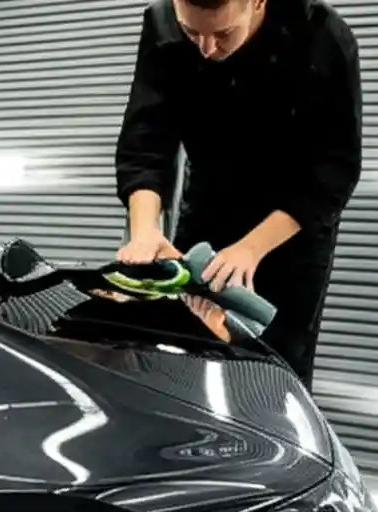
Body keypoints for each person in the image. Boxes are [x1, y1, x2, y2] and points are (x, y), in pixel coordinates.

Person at [114, 0, 363, 388]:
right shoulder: (162, 24)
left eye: (223, 34)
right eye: (192, 32)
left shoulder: (321, 34)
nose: (206, 50)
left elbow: (334, 170)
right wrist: (145, 231)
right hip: (208, 209)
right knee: (182, 352)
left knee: (273, 372)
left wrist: (251, 248)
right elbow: (146, 141)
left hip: (290, 227)